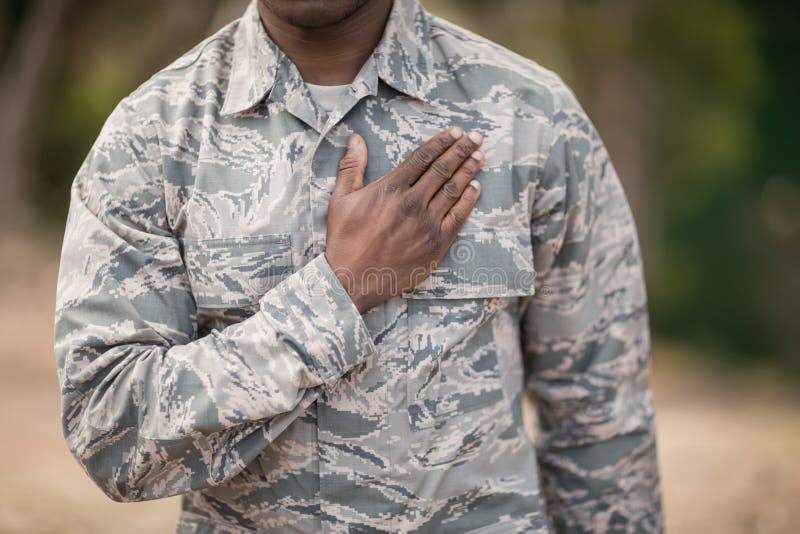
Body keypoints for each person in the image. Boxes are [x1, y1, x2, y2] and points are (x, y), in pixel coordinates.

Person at [53, 0, 663, 532]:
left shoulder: (534, 121)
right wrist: (338, 292)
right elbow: (112, 433)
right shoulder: (149, 138)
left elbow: (601, 431)